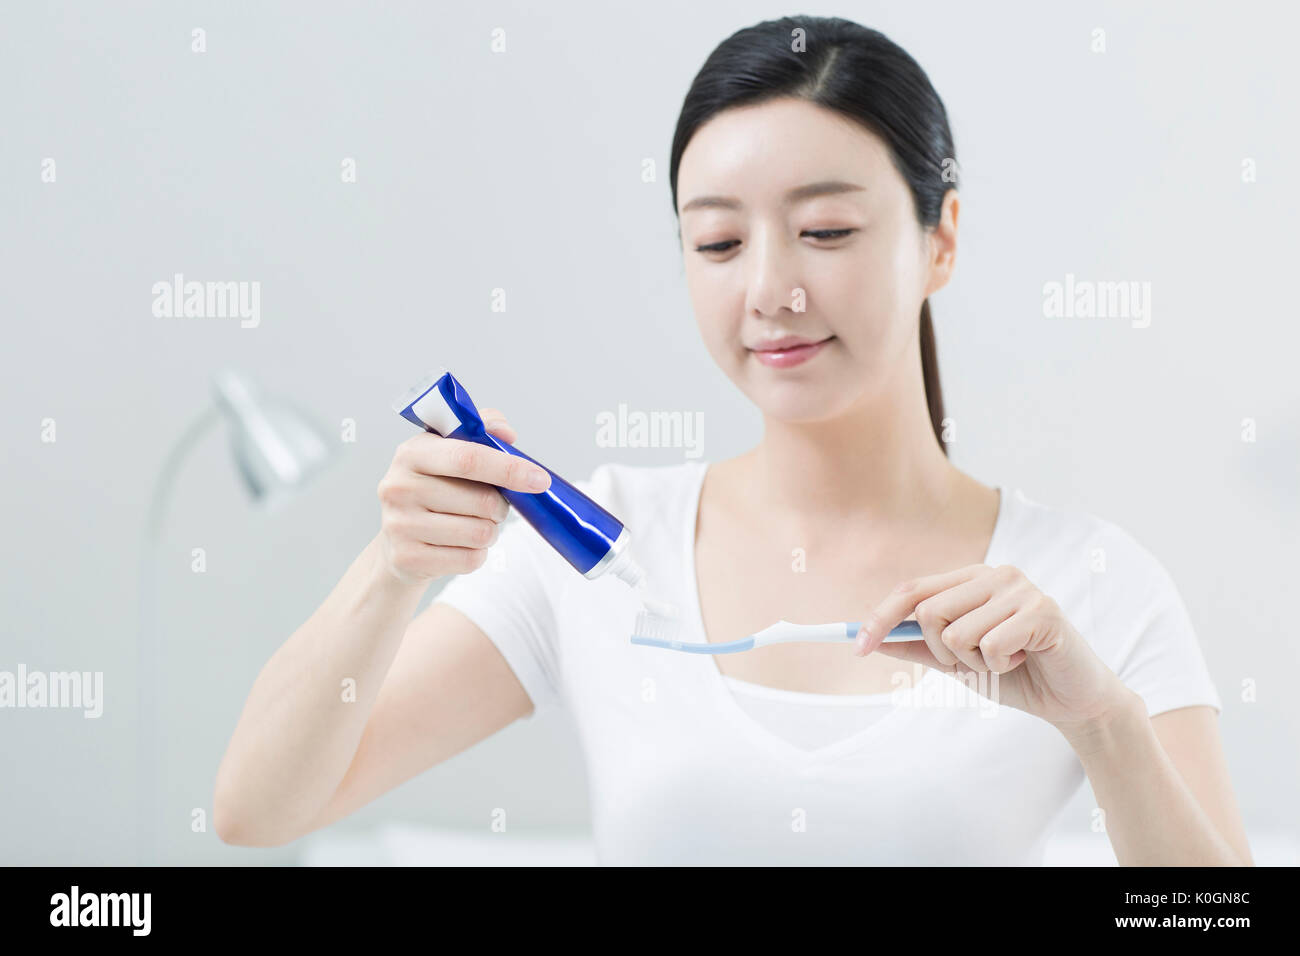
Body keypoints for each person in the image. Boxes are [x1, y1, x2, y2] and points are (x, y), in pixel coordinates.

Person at [214, 14, 1251, 866]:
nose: (769, 290)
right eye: (716, 241)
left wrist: (1102, 722)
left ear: (940, 238)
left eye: (828, 231)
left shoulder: (1086, 583)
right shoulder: (599, 549)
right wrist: (392, 571)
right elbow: (259, 806)